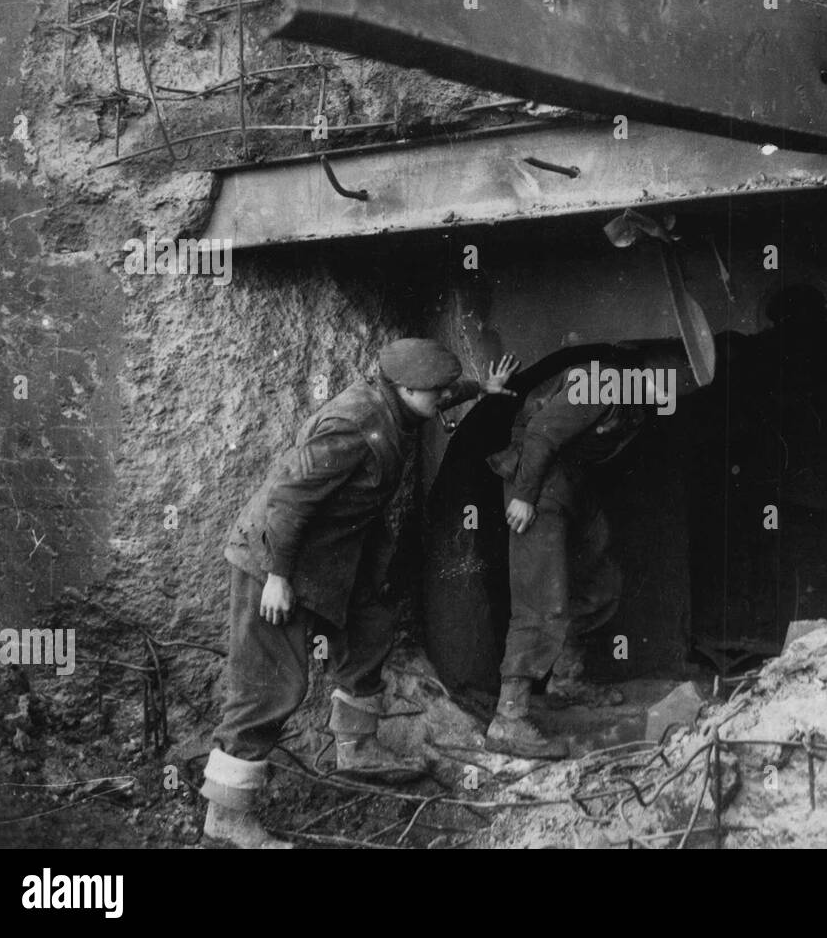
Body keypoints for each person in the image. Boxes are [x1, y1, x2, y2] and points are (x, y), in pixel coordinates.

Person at [200, 339, 518, 849]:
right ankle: (226, 816)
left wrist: (483, 388)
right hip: (276, 561)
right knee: (272, 686)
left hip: (333, 561)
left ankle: (356, 747)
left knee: (370, 629)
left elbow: (442, 390)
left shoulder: (399, 400)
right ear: (406, 388)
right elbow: (286, 500)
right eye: (434, 393)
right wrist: (279, 578)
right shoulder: (353, 426)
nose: (441, 400)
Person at [483, 350, 649, 759]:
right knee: (539, 596)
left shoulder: (635, 400)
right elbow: (541, 431)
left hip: (570, 482)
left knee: (598, 577)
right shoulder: (605, 380)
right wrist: (524, 497)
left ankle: (566, 679)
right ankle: (509, 717)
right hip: (535, 482)